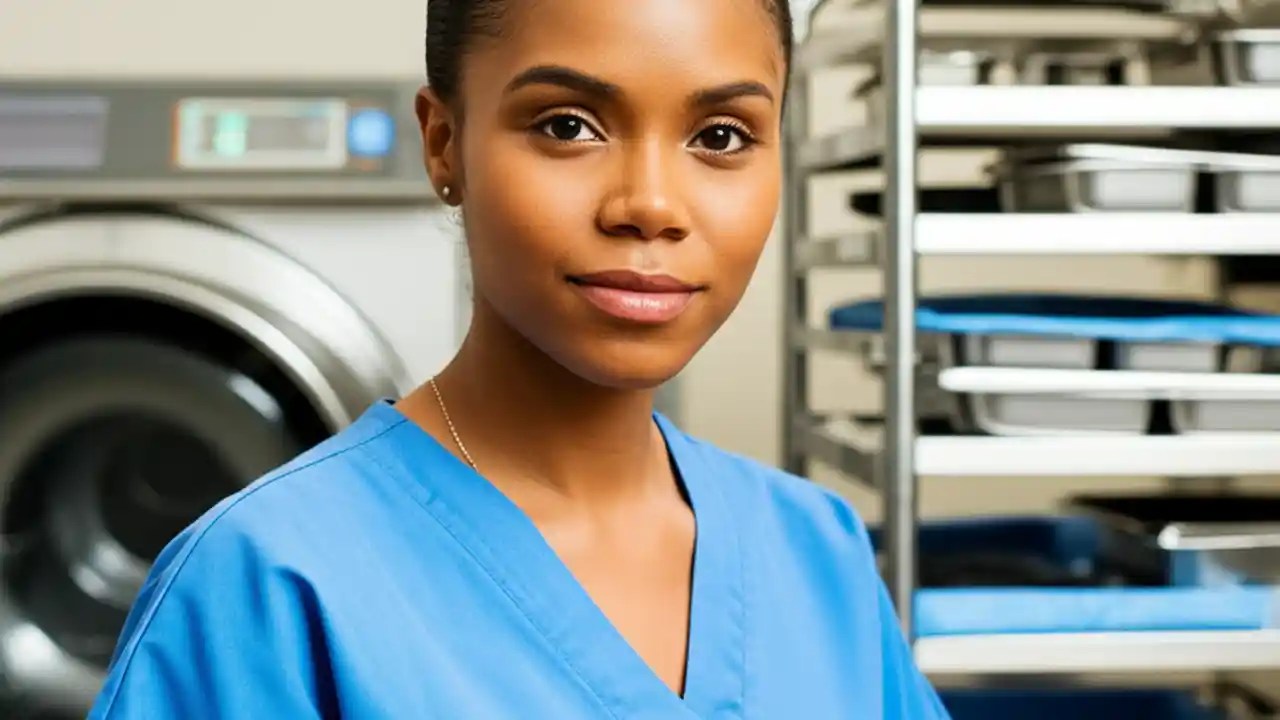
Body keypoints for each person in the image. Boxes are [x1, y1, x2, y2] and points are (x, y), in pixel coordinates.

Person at [88, 0, 950, 717]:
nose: (650, 205)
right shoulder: (264, 587)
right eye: (567, 125)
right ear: (444, 145)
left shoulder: (816, 551)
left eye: (721, 136)